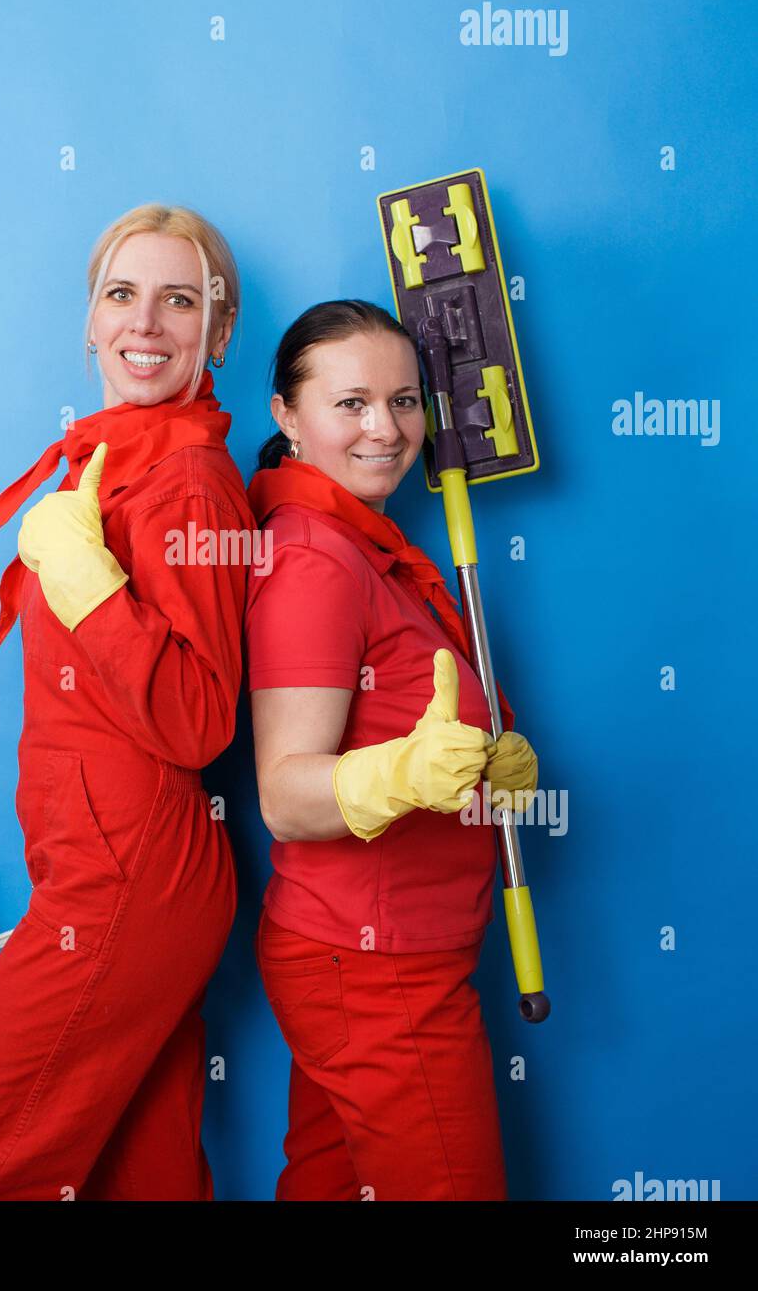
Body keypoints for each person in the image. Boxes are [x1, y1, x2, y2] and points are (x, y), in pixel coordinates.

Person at [0, 204, 255, 1201]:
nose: (146, 323)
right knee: (140, 1184)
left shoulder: (185, 480)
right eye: (121, 295)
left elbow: (197, 720)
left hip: (127, 878)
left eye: (179, 300)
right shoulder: (112, 463)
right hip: (104, 874)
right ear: (89, 322)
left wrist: (84, 577)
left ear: (216, 334)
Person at [244, 299, 538, 1201]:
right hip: (376, 972)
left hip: (375, 958)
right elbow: (285, 796)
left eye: (406, 401)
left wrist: (483, 765)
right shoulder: (318, 561)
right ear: (287, 417)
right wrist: (405, 775)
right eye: (352, 403)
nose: (387, 429)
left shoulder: (366, 548)